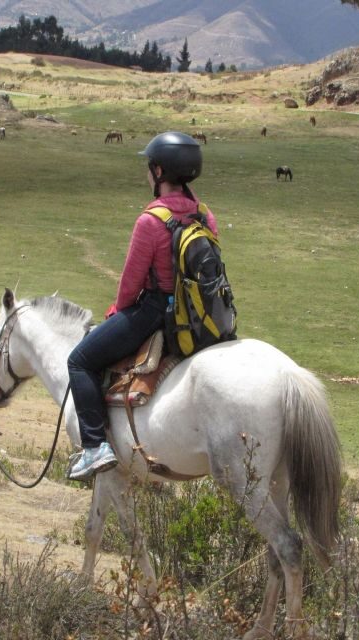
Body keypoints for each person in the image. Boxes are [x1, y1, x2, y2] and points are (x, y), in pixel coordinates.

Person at [66, 131, 219, 481]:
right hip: (199, 316)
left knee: (80, 360)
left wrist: (115, 314)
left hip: (155, 313)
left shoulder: (150, 221)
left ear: (160, 172)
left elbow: (130, 285)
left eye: (150, 168)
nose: (147, 174)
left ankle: (94, 448)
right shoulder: (206, 216)